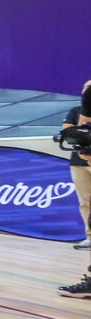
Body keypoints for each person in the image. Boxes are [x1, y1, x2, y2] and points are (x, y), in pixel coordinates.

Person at [61, 79, 91, 250]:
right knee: (85, 201)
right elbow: (68, 131)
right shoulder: (76, 110)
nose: (85, 90)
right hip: (79, 162)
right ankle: (89, 236)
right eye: (85, 88)